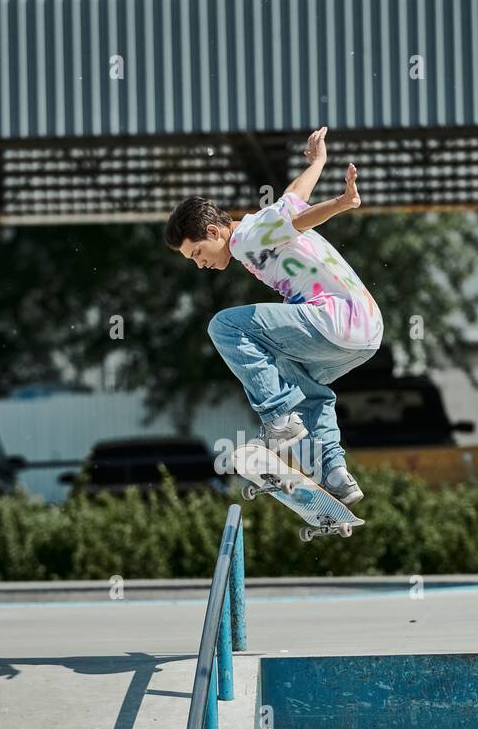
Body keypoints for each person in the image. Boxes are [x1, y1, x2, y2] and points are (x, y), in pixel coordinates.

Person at [163, 127, 383, 505]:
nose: (200, 264)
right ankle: (336, 474)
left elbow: (301, 220)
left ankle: (279, 421)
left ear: (214, 231)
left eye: (198, 253)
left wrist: (342, 202)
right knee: (299, 381)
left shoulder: (245, 237)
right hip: (366, 332)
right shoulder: (263, 221)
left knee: (225, 326)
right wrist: (319, 163)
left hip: (332, 320)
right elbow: (295, 199)